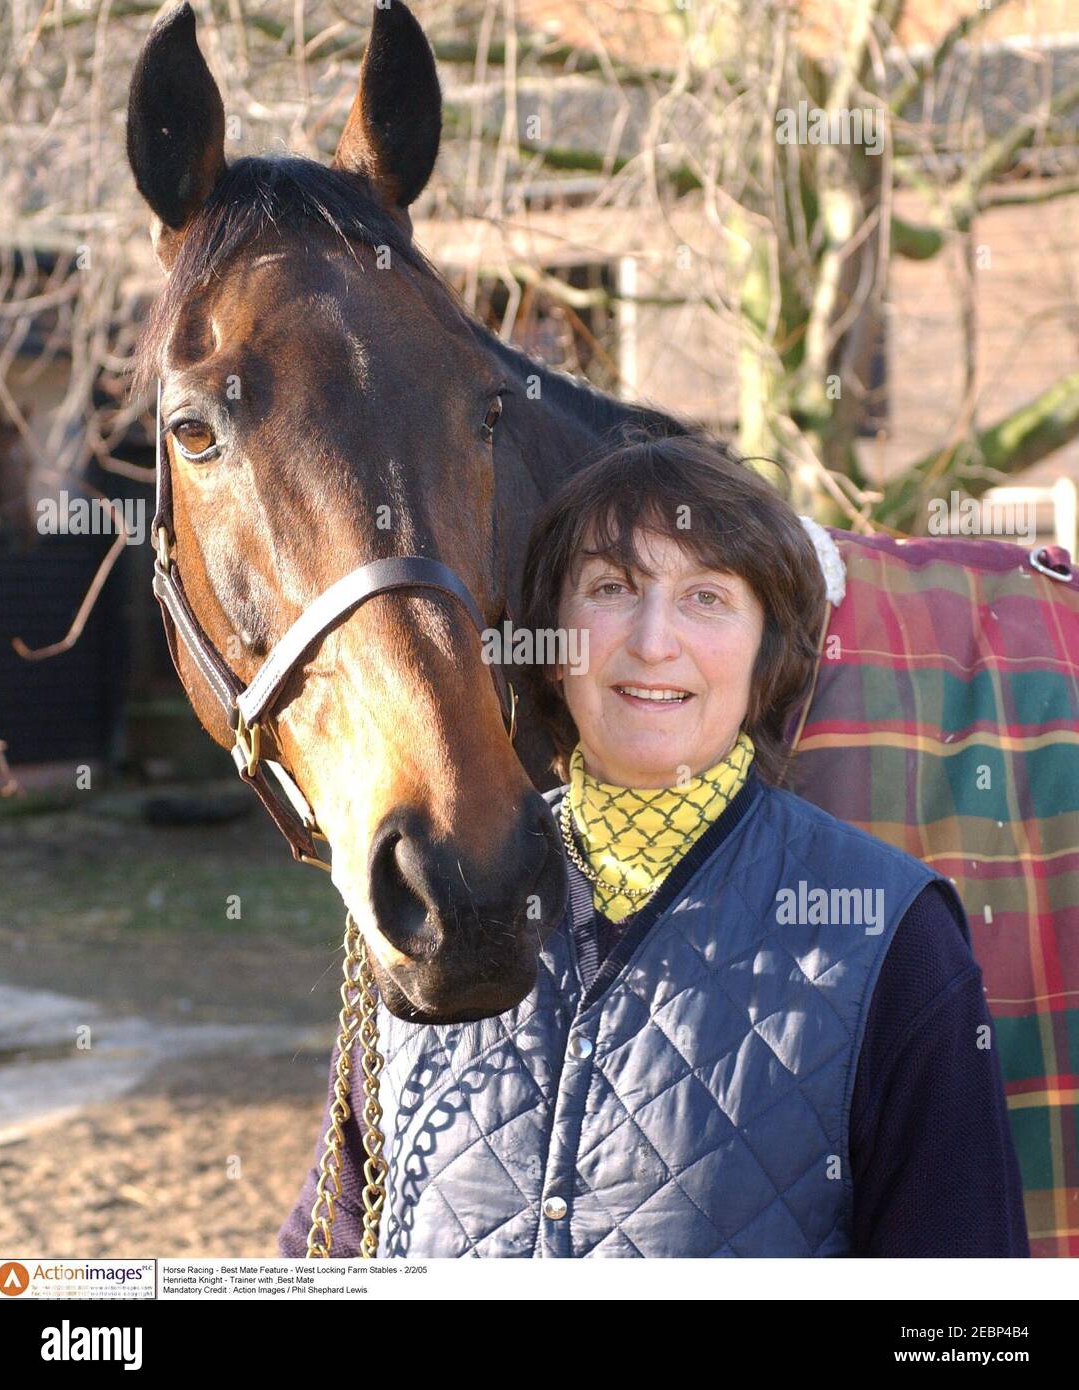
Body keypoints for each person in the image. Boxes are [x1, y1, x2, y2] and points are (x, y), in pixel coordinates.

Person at [278, 429, 1028, 1258]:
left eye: (707, 597)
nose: (652, 641)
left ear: (768, 649)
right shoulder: (436, 895)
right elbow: (331, 1237)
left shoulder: (896, 938)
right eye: (610, 589)